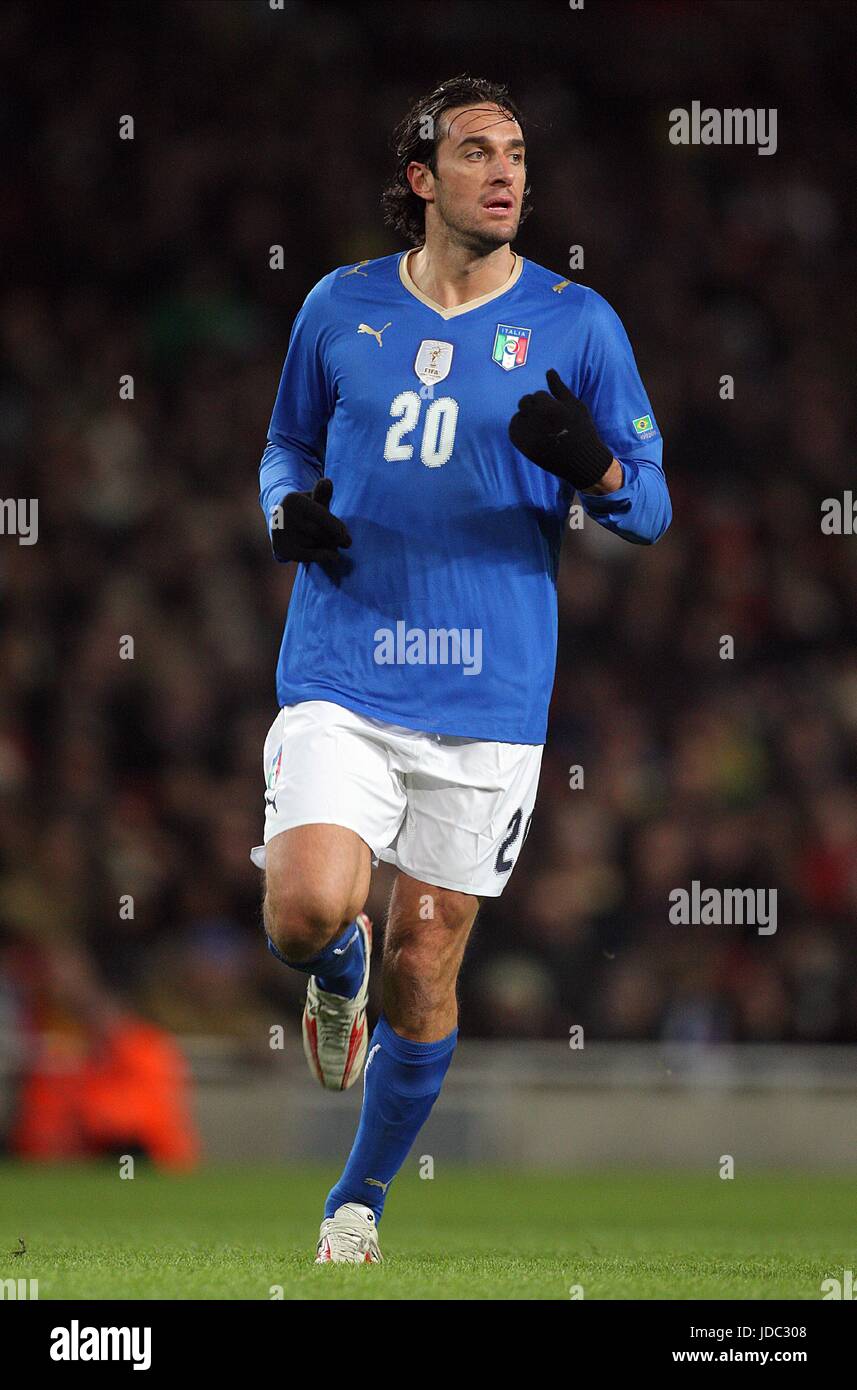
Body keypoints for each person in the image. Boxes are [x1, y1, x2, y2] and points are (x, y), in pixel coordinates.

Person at [252, 74, 671, 1263]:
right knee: (304, 908)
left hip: (487, 698)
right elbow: (285, 443)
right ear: (419, 179)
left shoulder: (577, 323)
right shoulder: (338, 307)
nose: (506, 172)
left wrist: (589, 466)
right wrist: (289, 509)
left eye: (519, 153)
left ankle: (356, 1203)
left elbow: (649, 507)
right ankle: (334, 969)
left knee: (427, 960)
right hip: (345, 660)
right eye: (476, 150)